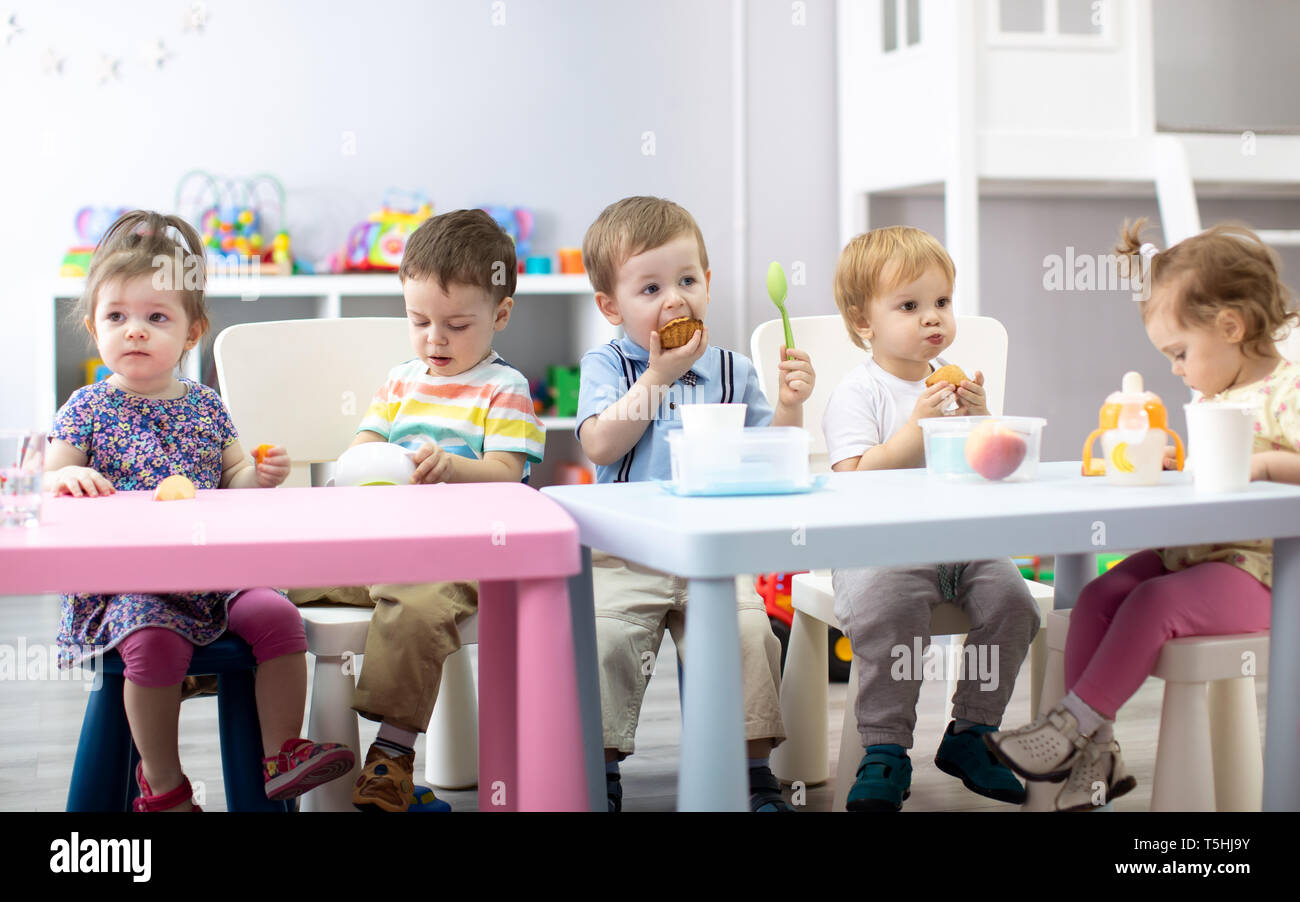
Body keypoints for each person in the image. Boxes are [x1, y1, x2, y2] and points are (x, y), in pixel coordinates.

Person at [986, 219, 1300, 810]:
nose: (1177, 370)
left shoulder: (1288, 391)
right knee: (1100, 595)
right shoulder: (1217, 396)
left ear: (1231, 326)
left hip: (1265, 572)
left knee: (1152, 603)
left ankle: (1070, 726)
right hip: (1200, 552)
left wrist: (1263, 466)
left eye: (1181, 353)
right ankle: (1098, 752)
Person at [46, 210, 354, 811]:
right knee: (152, 645)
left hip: (218, 573)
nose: (134, 330)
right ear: (93, 326)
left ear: (192, 334)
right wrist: (68, 475)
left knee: (279, 618)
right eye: (117, 317)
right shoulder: (86, 407)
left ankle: (281, 755)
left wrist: (257, 475)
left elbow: (233, 475)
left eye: (155, 317)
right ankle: (164, 784)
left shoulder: (207, 406)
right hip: (131, 583)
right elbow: (50, 475)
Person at [288, 208, 545, 812]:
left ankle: (392, 757)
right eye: (419, 321)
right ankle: (207, 663)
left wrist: (453, 468)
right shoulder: (401, 380)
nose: (435, 339)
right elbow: (363, 446)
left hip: (456, 559)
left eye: (456, 325)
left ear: (499, 315)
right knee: (272, 580)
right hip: (379, 547)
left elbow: (509, 474)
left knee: (418, 608)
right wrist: (371, 463)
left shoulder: (503, 388)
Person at [576, 195, 815, 811]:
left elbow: (772, 450)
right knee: (603, 645)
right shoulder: (608, 363)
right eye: (650, 287)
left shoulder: (733, 371)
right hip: (625, 555)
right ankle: (599, 779)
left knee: (749, 636)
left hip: (711, 555)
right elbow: (601, 443)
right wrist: (655, 377)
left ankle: (753, 776)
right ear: (611, 307)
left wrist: (790, 404)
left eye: (686, 280)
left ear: (708, 284)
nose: (674, 298)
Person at [823, 225, 1040, 811]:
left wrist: (984, 419)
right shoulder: (858, 392)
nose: (932, 318)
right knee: (887, 609)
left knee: (1013, 603)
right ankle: (886, 749)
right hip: (879, 546)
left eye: (941, 302)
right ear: (864, 322)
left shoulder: (955, 381)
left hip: (962, 540)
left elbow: (992, 466)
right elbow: (852, 479)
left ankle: (972, 733)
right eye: (910, 306)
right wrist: (918, 426)